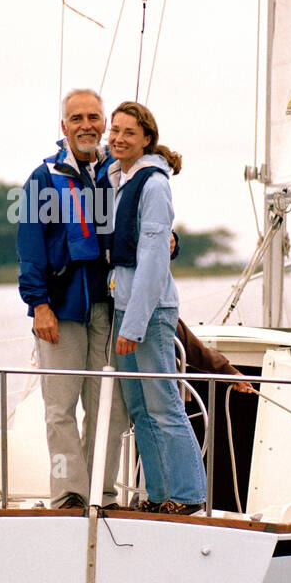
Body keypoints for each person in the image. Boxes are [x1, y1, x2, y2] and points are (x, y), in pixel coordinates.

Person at [16, 88, 128, 509]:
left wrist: (170, 240)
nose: (87, 125)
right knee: (59, 408)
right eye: (77, 118)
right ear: (63, 127)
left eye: (94, 118)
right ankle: (69, 494)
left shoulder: (119, 173)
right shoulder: (43, 180)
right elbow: (29, 249)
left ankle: (103, 491)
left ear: (104, 123)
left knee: (110, 408)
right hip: (59, 311)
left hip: (108, 308)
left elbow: (146, 226)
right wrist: (38, 305)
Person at [108, 100, 209, 514]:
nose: (118, 138)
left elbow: (153, 259)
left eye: (129, 132)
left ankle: (187, 496)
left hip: (148, 312)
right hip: (124, 305)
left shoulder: (153, 185)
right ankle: (158, 495)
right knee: (139, 407)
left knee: (163, 402)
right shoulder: (121, 175)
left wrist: (133, 327)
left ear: (147, 138)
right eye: (114, 130)